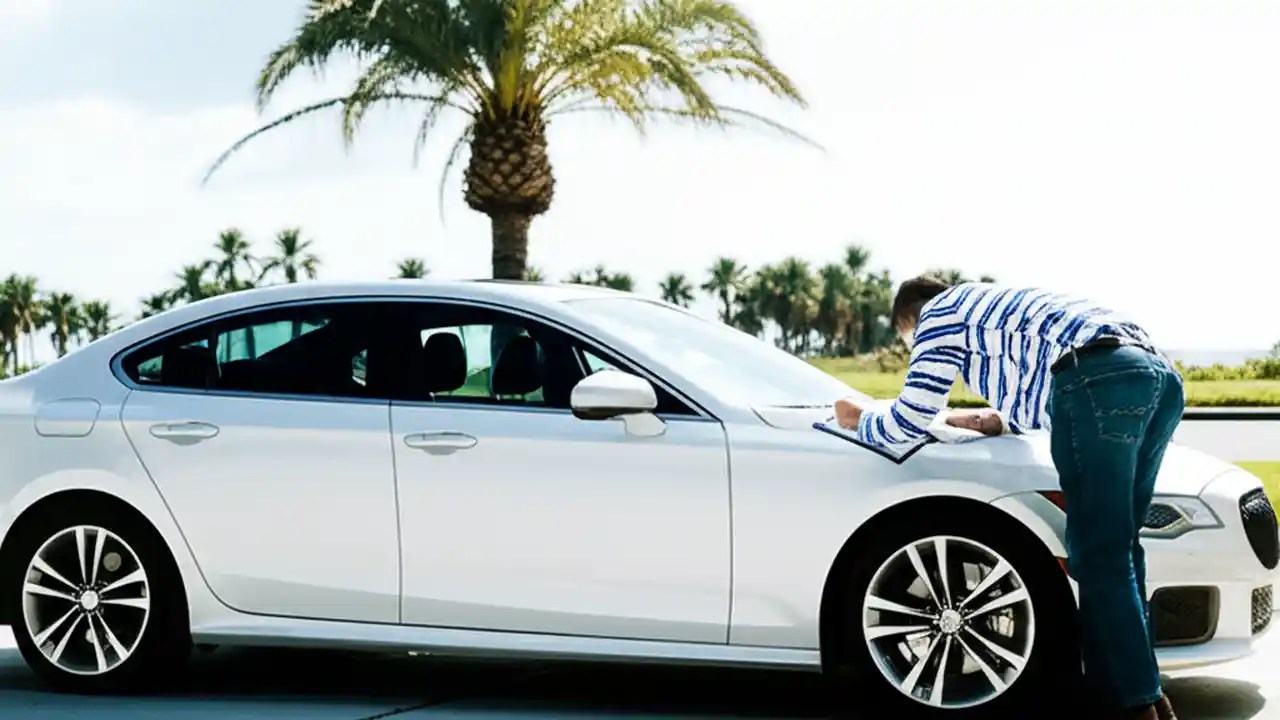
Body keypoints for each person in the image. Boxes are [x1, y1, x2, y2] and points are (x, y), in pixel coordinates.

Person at [835, 276, 1184, 720]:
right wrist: (986, 422)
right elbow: (1043, 407)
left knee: (1098, 556)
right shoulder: (994, 306)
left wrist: (859, 420)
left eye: (908, 337)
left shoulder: (939, 314)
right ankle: (1131, 694)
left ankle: (1136, 703)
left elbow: (911, 415)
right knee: (1120, 552)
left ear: (909, 318)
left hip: (1100, 378)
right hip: (1159, 379)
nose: (912, 343)